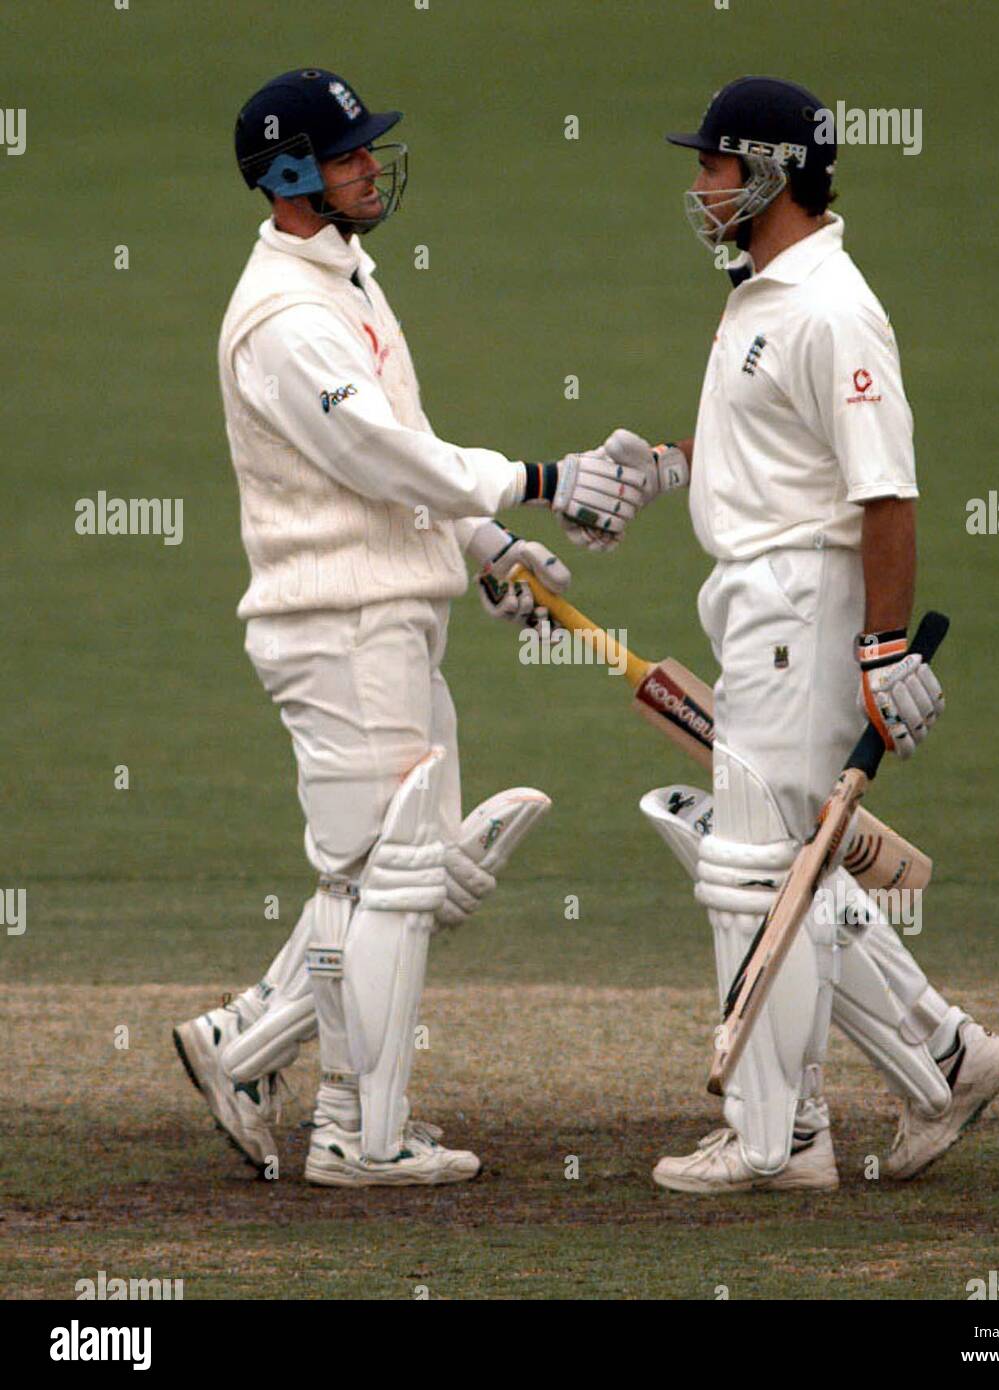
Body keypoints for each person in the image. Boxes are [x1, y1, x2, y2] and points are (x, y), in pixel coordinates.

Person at [172, 68, 643, 1187]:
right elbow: (381, 456)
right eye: (347, 155)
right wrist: (540, 480)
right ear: (291, 177)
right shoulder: (285, 320)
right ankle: (357, 1136)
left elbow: (406, 448)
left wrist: (486, 547)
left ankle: (272, 1064)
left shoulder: (348, 278)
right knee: (389, 876)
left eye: (367, 149)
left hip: (386, 609)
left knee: (391, 875)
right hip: (334, 621)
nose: (369, 165)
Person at [606, 76, 999, 1192]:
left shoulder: (834, 307)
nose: (698, 187)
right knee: (788, 864)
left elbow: (884, 492)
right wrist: (654, 471)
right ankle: (945, 1057)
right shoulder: (762, 290)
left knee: (751, 871)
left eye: (715, 166)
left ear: (772, 172)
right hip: (757, 601)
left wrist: (885, 648)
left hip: (803, 606)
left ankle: (778, 1138)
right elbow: (762, 456)